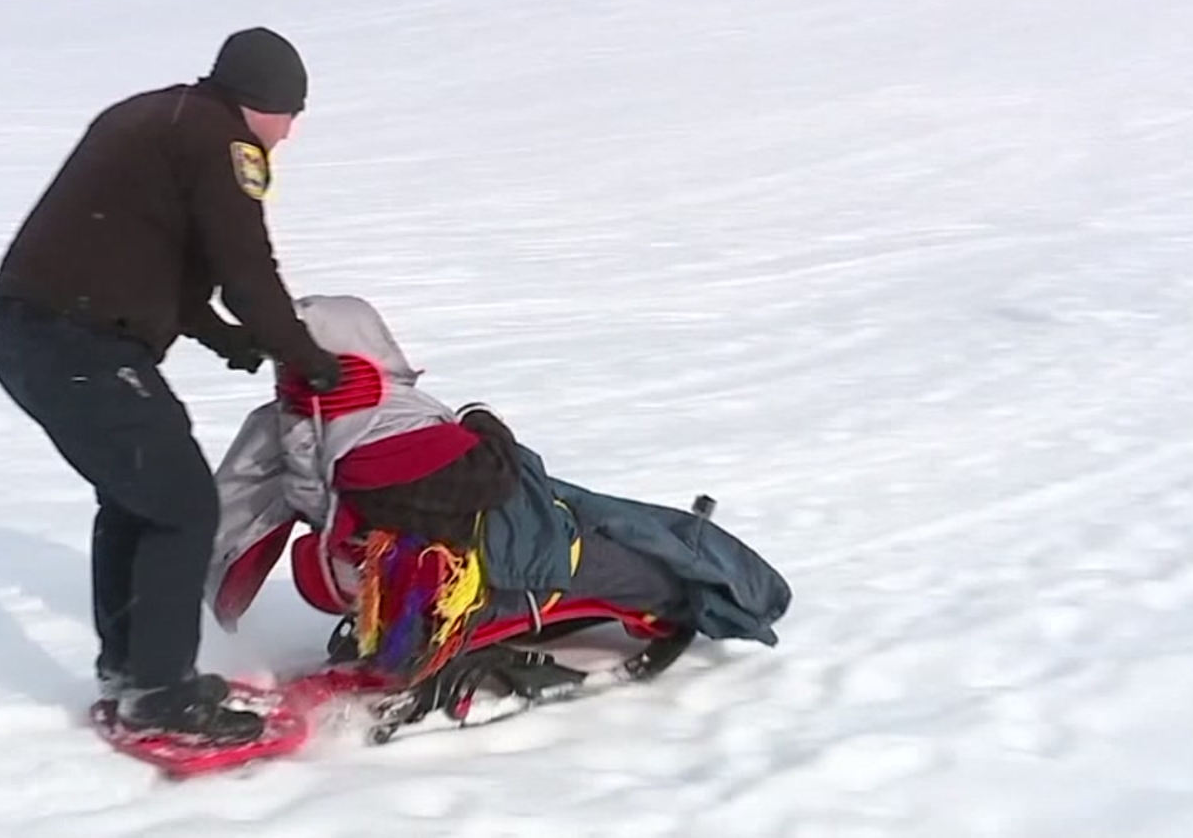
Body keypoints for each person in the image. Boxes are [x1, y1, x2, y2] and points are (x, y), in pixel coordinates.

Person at [0, 27, 343, 745]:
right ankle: (160, 695)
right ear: (265, 103)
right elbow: (246, 267)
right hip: (74, 343)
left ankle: (132, 673)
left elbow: (143, 246)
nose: (290, 134)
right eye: (291, 115)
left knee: (137, 501)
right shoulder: (223, 144)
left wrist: (223, 336)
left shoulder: (154, 116)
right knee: (181, 506)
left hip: (40, 335)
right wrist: (305, 355)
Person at [207, 295, 793, 726]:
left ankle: (704, 569)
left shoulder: (286, 432)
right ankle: (718, 591)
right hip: (505, 562)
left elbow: (238, 513)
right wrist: (481, 420)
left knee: (619, 521)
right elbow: (490, 476)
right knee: (647, 550)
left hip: (395, 570)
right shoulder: (389, 439)